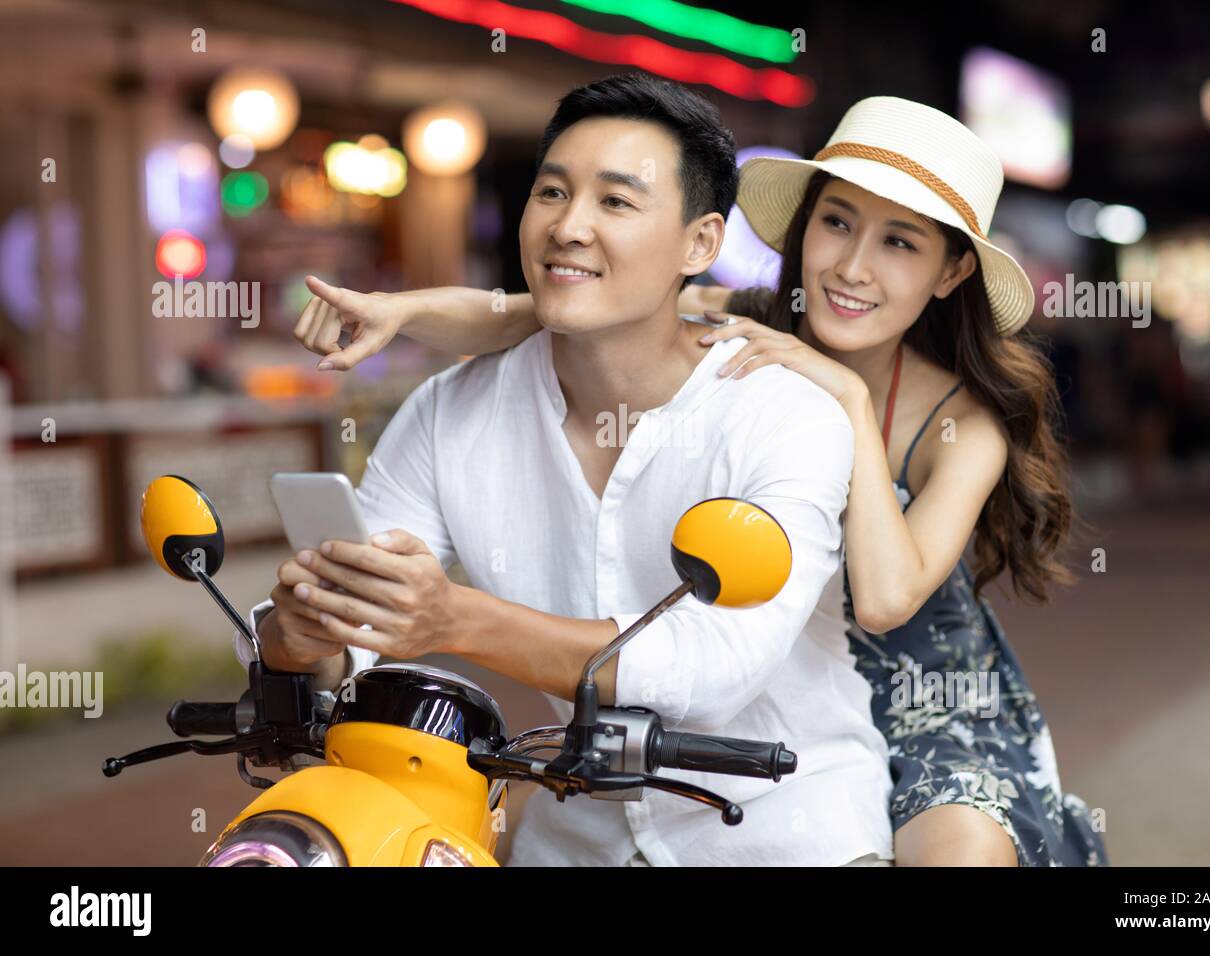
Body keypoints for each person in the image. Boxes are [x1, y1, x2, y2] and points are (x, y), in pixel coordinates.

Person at [296, 96, 1109, 867]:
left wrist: (852, 401)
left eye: (900, 243)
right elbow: (544, 307)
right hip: (794, 687)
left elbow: (889, 598)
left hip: (927, 693)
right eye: (836, 223)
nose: (854, 267)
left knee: (964, 854)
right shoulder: (750, 316)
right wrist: (401, 310)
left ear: (949, 273)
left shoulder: (963, 423)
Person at [239, 74, 895, 867]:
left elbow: (712, 666)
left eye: (616, 202)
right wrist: (305, 636)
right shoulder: (452, 410)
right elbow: (356, 626)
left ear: (700, 244)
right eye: (552, 192)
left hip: (784, 828)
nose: (569, 227)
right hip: (573, 835)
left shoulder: (786, 415)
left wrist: (454, 620)